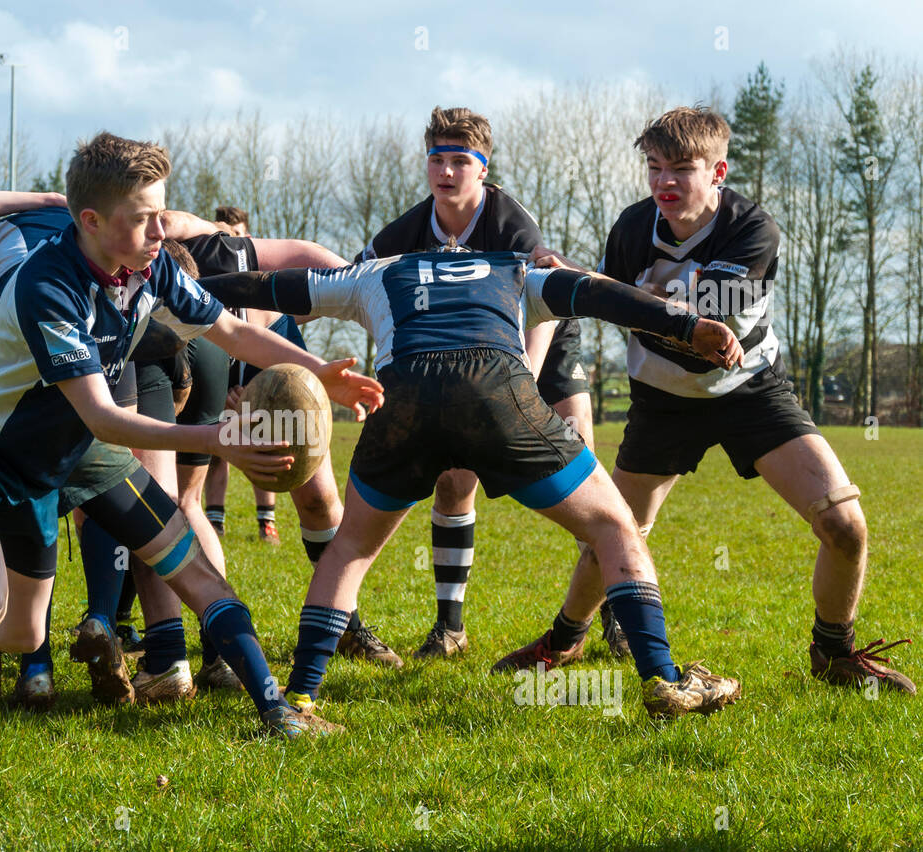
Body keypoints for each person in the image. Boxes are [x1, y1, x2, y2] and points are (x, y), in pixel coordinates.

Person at [0, 132, 382, 779]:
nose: (159, 231)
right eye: (142, 219)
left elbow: (228, 329)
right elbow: (106, 414)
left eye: (161, 213)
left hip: (71, 447)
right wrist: (219, 439)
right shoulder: (49, 285)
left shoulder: (149, 264)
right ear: (91, 222)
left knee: (196, 572)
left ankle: (278, 710)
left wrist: (319, 372)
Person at [201, 244, 746, 721]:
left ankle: (298, 701)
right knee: (614, 526)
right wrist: (687, 325)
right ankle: (663, 679)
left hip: (406, 398)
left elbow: (271, 288)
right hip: (497, 393)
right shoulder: (514, 268)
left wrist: (180, 288)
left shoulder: (377, 272)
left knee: (349, 550)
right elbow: (603, 296)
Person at [496, 106, 914, 694]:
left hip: (751, 392)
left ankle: (834, 652)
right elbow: (618, 301)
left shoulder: (752, 230)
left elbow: (707, 341)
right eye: (654, 167)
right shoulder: (633, 226)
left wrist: (617, 295)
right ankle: (564, 639)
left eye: (682, 169)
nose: (665, 182)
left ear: (718, 172)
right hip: (662, 401)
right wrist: (573, 278)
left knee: (845, 525)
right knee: (615, 531)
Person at [359, 106, 600, 663]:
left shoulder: (513, 227)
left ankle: (605, 611)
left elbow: (537, 313)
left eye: (459, 160)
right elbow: (361, 291)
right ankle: (450, 627)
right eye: (436, 159)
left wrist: (519, 389)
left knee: (583, 469)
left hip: (540, 338)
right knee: (453, 478)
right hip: (461, 356)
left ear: (483, 169)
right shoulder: (403, 233)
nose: (445, 171)